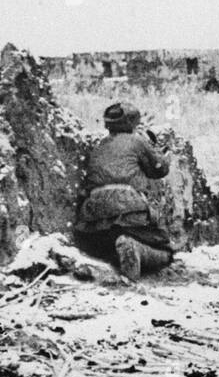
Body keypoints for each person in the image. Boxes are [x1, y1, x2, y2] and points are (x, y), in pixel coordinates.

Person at [74, 102, 175, 280]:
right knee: (165, 250)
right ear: (131, 122)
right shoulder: (137, 141)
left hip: (92, 219)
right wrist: (161, 153)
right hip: (128, 210)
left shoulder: (99, 146)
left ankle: (117, 260)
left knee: (108, 248)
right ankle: (135, 248)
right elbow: (159, 170)